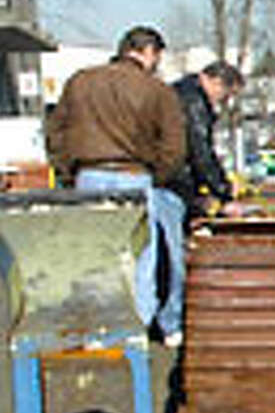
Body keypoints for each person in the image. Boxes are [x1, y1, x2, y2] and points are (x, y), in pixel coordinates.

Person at [42, 25, 189, 341]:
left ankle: (99, 329)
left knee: (95, 258)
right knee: (140, 259)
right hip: (135, 177)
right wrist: (156, 177)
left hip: (87, 177)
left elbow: (56, 132)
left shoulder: (80, 82)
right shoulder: (157, 90)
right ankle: (137, 328)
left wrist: (69, 174)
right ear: (149, 52)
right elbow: (175, 147)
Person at [169, 60, 244, 224]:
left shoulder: (181, 92)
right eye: (226, 95)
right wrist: (224, 192)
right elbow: (200, 151)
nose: (222, 101)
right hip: (174, 183)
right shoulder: (194, 103)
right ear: (216, 83)